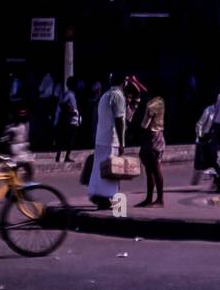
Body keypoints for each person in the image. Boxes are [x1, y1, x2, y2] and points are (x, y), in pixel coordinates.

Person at [87, 75, 132, 211]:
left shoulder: (105, 95)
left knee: (100, 170)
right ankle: (107, 199)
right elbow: (119, 121)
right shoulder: (118, 96)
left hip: (101, 139)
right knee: (113, 171)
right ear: (124, 83)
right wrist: (122, 142)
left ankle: (99, 196)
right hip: (111, 140)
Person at [136, 84, 166, 207]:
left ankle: (159, 199)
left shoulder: (151, 105)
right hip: (156, 135)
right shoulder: (160, 101)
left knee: (154, 167)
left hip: (153, 137)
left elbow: (144, 125)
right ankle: (150, 198)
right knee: (150, 169)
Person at [0, 106, 33, 180]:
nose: (22, 115)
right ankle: (14, 183)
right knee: (16, 166)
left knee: (28, 166)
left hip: (24, 146)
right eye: (20, 113)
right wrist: (6, 144)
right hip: (16, 147)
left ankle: (27, 182)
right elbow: (3, 139)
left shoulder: (26, 123)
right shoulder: (10, 127)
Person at [54, 79, 80, 163]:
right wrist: (70, 111)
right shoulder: (68, 94)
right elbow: (61, 104)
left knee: (69, 139)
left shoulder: (73, 94)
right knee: (66, 138)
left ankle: (66, 157)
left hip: (74, 119)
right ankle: (61, 156)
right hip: (69, 120)